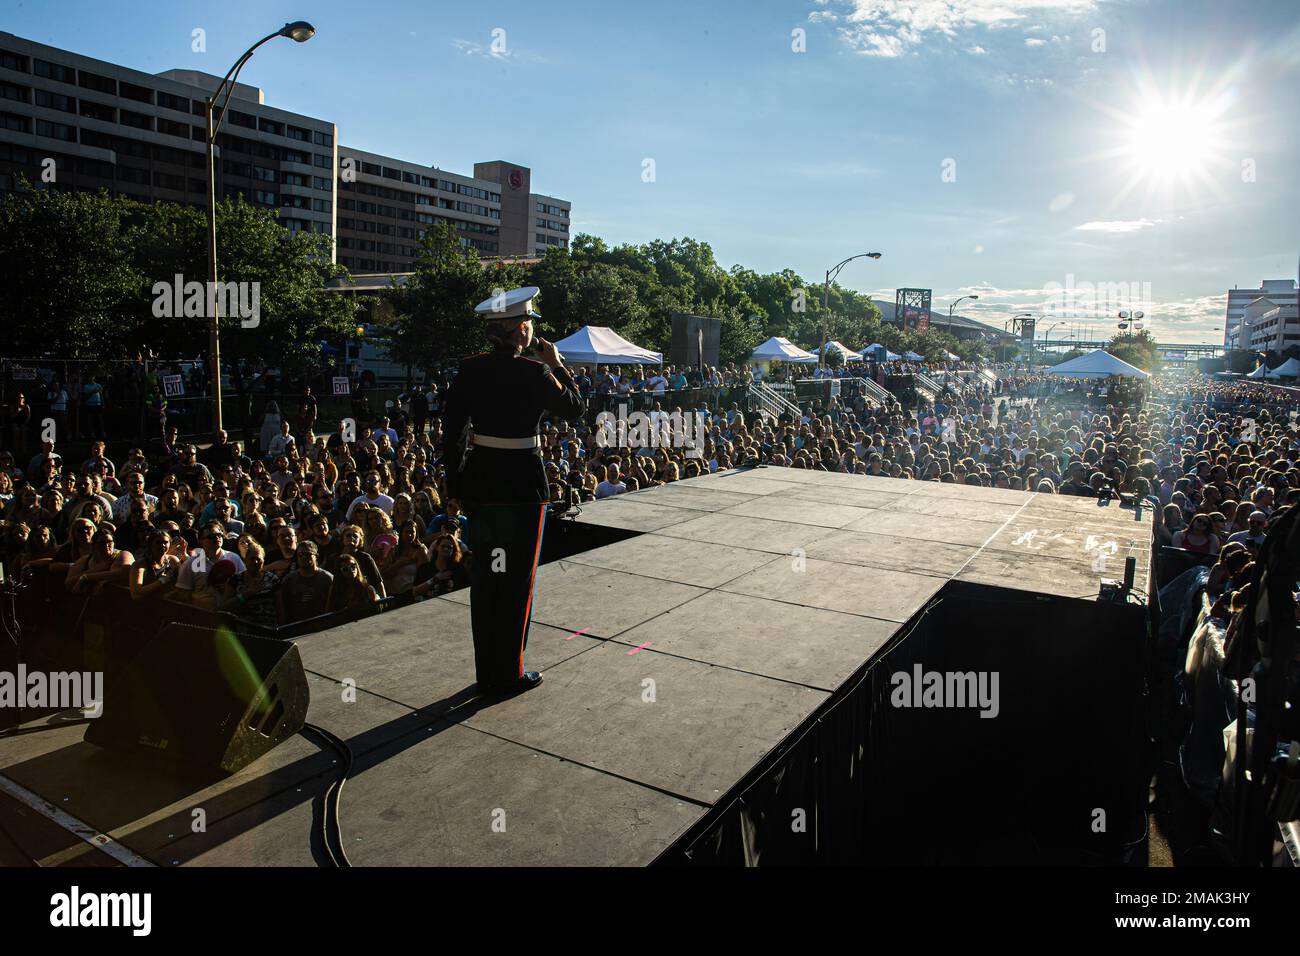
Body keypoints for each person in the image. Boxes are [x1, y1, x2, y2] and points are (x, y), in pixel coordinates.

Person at [439, 286, 584, 695]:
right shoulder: (533, 372)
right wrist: (558, 365)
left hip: (482, 483)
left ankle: (488, 672)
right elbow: (575, 408)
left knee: (487, 579)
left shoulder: (470, 370)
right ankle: (510, 673)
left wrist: (455, 484)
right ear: (522, 331)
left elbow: (452, 431)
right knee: (516, 579)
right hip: (522, 484)